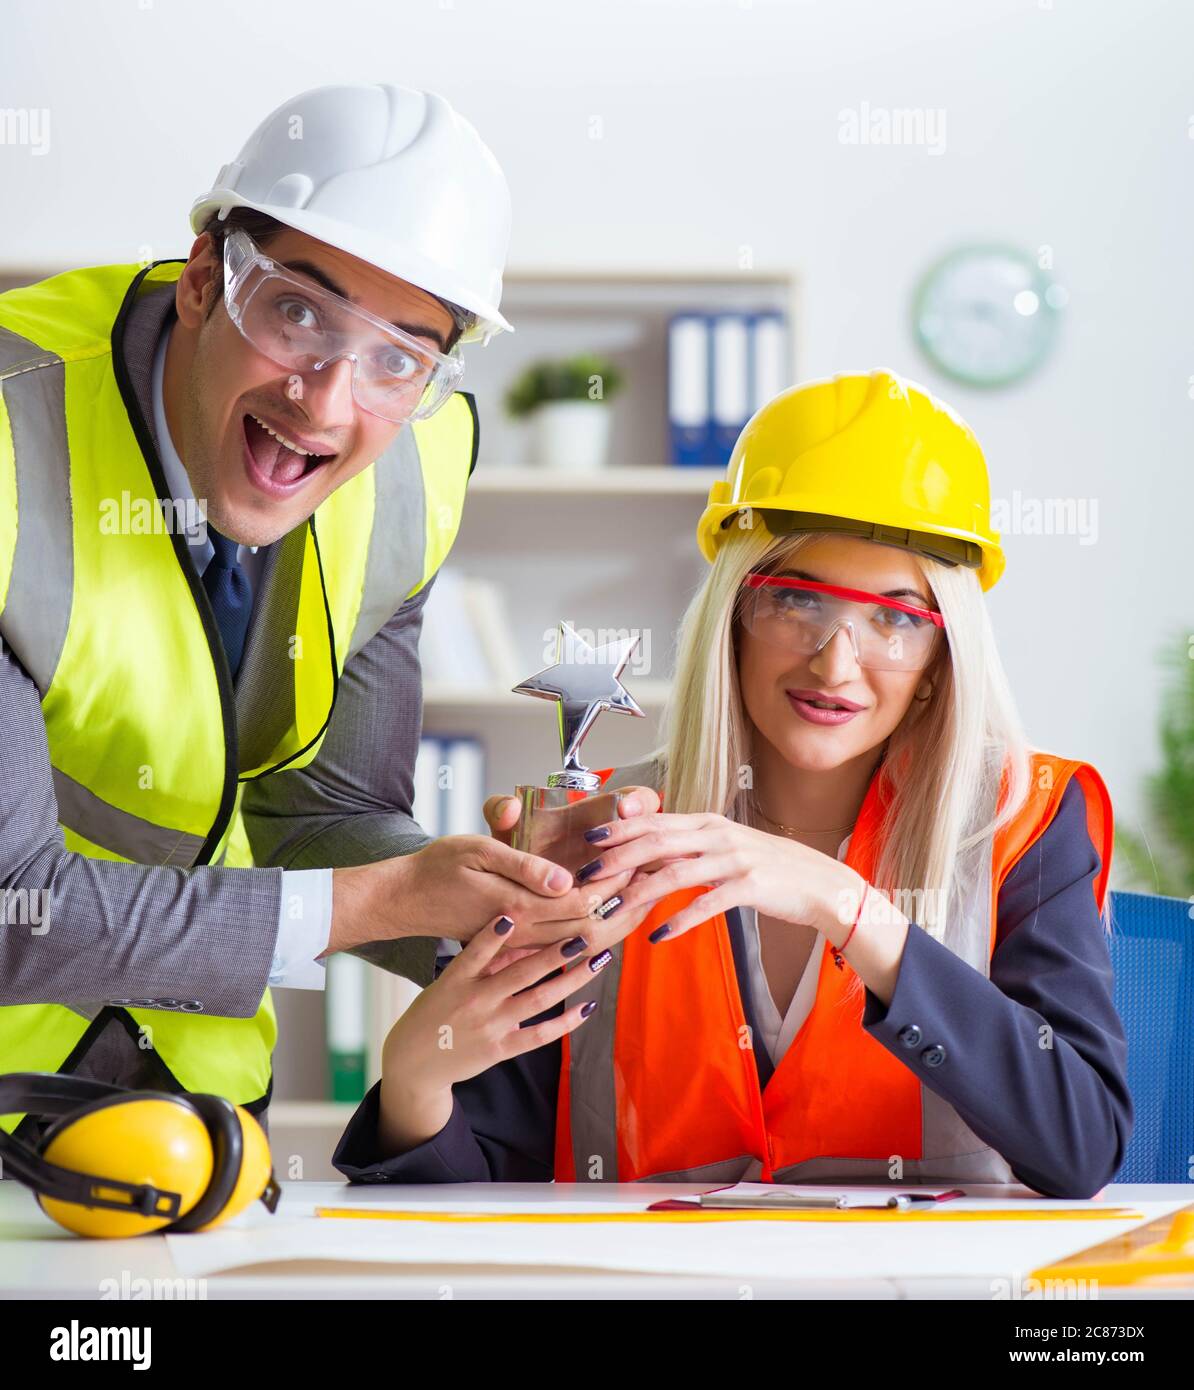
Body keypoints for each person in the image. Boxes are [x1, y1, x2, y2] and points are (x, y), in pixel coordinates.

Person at [0, 82, 658, 1144]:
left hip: (194, 1118)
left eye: (400, 355)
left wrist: (512, 898)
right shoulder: (7, 439)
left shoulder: (412, 477)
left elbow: (317, 816)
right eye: (297, 311)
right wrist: (381, 902)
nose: (328, 398)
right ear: (206, 280)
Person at [333, 370, 1133, 1199]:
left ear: (941, 659)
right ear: (731, 622)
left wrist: (847, 906)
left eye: (896, 617)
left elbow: (1081, 1146)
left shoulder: (1027, 818)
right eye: (796, 600)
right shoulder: (606, 832)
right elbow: (486, 1178)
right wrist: (415, 1081)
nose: (835, 662)